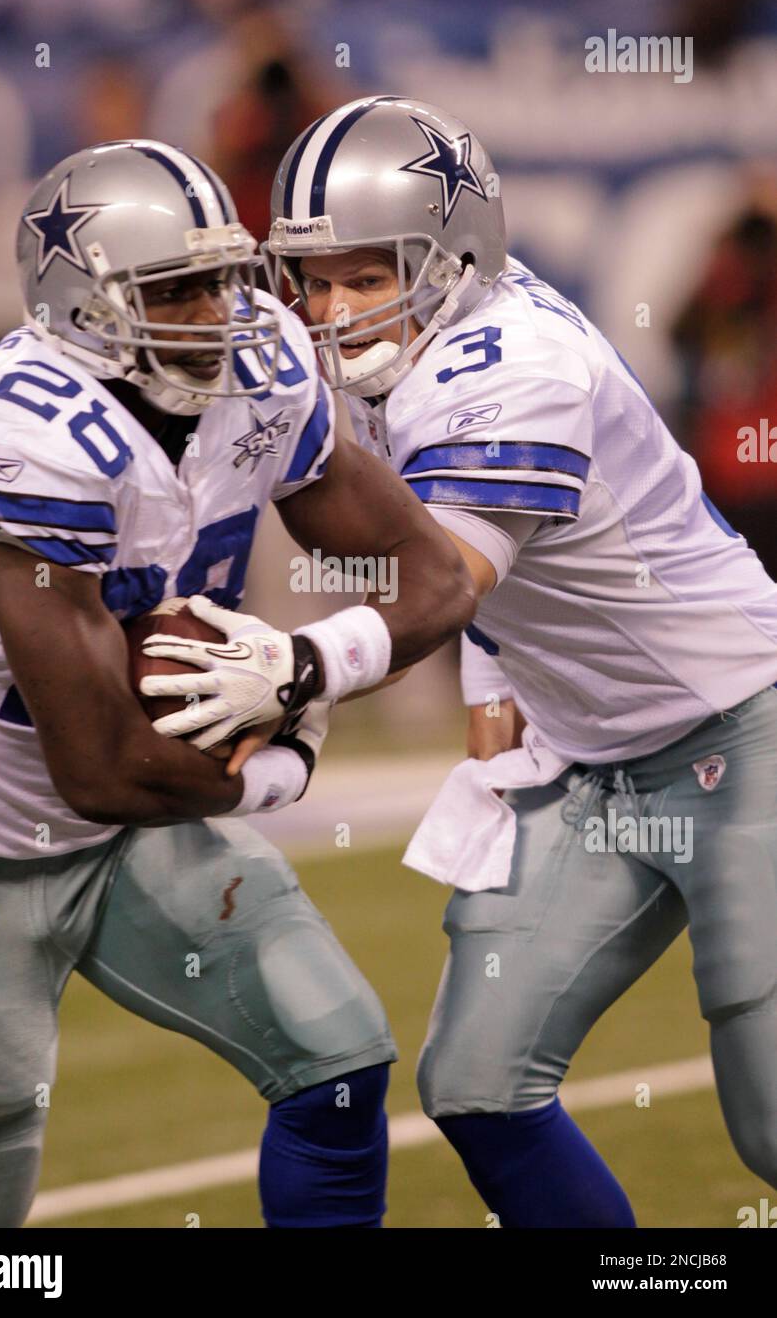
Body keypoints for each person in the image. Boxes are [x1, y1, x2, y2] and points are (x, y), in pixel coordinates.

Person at [0, 138, 473, 1229]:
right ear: (82, 305)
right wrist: (285, 763)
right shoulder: (18, 434)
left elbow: (433, 574)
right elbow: (101, 769)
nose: (218, 312)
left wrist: (312, 663)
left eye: (223, 277)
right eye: (175, 289)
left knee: (339, 1056)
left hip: (136, 828)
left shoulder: (261, 362)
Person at [264, 95, 777, 1227]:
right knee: (479, 1086)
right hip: (588, 759)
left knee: (770, 1121)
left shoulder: (514, 360)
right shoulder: (423, 353)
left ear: (453, 256)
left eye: (364, 275)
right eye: (314, 279)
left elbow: (443, 578)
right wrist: (500, 685)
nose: (333, 310)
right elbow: (501, 563)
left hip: (740, 733)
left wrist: (297, 667)